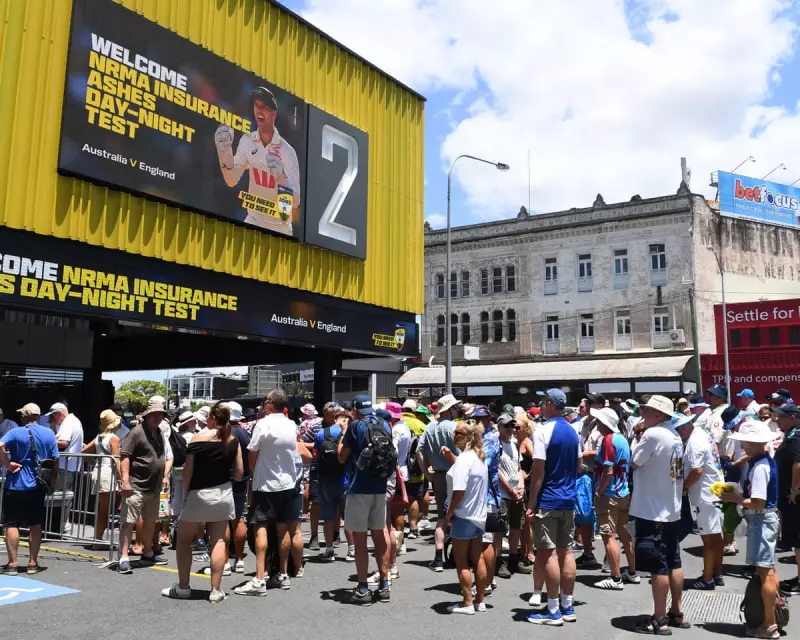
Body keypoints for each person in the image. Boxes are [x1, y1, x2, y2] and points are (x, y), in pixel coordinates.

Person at [162, 403, 243, 603]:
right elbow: (239, 473)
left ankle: (183, 587)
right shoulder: (232, 440)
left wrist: (186, 496)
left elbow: (188, 472)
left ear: (212, 419)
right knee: (219, 540)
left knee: (183, 540)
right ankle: (216, 590)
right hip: (223, 493)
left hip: (199, 494)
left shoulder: (198, 439)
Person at [629, 395, 687, 634]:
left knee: (658, 567)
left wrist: (637, 436)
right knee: (674, 561)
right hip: (670, 508)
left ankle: (659, 619)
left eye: (646, 409)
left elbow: (634, 461)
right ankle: (676, 612)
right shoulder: (674, 435)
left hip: (652, 510)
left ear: (658, 414)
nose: (642, 413)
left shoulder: (653, 434)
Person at [235, 389, 300, 596]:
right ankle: (282, 574)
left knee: (260, 527)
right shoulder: (291, 424)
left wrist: (253, 473)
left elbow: (252, 452)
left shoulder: (263, 424)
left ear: (270, 403)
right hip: (288, 483)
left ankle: (259, 578)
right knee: (283, 528)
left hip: (266, 484)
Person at [721, 421, 781, 640]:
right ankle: (771, 617)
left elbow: (757, 502)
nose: (742, 446)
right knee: (767, 570)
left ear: (754, 444)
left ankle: (770, 624)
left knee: (765, 572)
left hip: (761, 519)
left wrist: (733, 498)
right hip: (763, 519)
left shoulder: (760, 468)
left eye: (745, 443)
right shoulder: (762, 461)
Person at [214, 86, 302, 235]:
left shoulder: (288, 152)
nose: (259, 111)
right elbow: (231, 179)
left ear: (273, 114)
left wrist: (281, 178)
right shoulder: (247, 140)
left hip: (279, 230)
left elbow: (295, 201)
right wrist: (224, 152)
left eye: (264, 107)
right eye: (256, 106)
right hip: (252, 222)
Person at [526, 389, 580, 626]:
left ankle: (553, 609)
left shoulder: (542, 431)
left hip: (548, 499)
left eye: (543, 401)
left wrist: (531, 502)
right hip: (568, 498)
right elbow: (579, 465)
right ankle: (567, 605)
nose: (541, 405)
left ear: (549, 404)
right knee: (566, 551)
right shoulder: (572, 431)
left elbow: (538, 470)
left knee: (548, 553)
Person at [336, 395, 393, 605]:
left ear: (355, 410)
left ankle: (362, 588)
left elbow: (341, 456)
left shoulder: (355, 426)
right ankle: (384, 584)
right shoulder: (385, 425)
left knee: (360, 539)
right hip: (380, 487)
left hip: (359, 488)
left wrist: (344, 432)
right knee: (379, 535)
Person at [0, 403, 59, 575]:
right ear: (38, 417)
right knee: (35, 524)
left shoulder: (15, 432)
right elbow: (55, 460)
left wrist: (7, 464)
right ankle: (33, 563)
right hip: (38, 485)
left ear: (24, 416)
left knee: (12, 524)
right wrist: (53, 482)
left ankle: (13, 564)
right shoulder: (49, 433)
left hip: (15, 484)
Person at [118, 397, 170, 574]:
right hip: (136, 485)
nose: (158, 417)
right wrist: (125, 481)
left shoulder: (159, 432)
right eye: (154, 414)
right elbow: (125, 456)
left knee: (150, 522)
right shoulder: (136, 433)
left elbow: (161, 456)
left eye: (160, 414)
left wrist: (164, 476)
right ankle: (124, 557)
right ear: (146, 416)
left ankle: (148, 553)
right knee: (128, 522)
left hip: (153, 486)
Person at [443, 420, 489, 614]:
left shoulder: (464, 459)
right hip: (478, 516)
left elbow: (459, 490)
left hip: (463, 515)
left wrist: (449, 512)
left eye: (457, 433)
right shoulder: (478, 459)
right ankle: (480, 600)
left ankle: (467, 602)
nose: (454, 436)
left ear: (467, 437)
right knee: (477, 558)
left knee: (461, 561)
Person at [674, 412, 724, 590]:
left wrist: (684, 488)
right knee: (716, 538)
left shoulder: (695, 442)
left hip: (706, 495)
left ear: (684, 427)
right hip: (715, 491)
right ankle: (716, 573)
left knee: (708, 540)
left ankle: (707, 579)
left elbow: (697, 470)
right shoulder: (703, 435)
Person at [590, 407, 638, 590]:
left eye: (598, 420)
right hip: (623, 493)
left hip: (609, 494)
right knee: (625, 535)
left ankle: (616, 578)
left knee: (608, 536)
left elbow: (608, 470)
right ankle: (632, 572)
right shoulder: (622, 439)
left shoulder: (609, 439)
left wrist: (599, 491)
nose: (596, 424)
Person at [419, 394, 460, 572]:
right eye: (455, 407)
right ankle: (456, 555)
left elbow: (419, 451)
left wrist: (426, 473)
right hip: (456, 474)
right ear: (449, 410)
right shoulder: (455, 427)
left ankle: (437, 559)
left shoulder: (429, 427)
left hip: (438, 476)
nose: (457, 410)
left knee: (442, 518)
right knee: (458, 516)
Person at [313, 405, 352, 561]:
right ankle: (351, 550)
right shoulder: (350, 433)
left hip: (326, 480)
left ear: (333, 418)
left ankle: (329, 550)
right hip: (345, 480)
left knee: (328, 518)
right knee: (348, 517)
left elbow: (316, 455)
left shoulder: (322, 433)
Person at [81, 409, 122, 549]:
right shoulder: (114, 438)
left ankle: (98, 538)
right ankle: (97, 540)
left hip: (98, 472)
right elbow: (116, 461)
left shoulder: (99, 437)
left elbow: (84, 452)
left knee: (102, 508)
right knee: (105, 510)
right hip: (108, 474)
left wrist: (95, 463)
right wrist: (122, 480)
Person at [772, 404, 800, 596]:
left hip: (795, 499)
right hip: (790, 497)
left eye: (781, 417)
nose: (777, 420)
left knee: (798, 541)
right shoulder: (792, 434)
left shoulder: (796, 437)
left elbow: (798, 464)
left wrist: (794, 490)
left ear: (792, 417)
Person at [497, 413, 528, 576]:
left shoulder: (515, 444)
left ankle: (513, 560)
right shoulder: (496, 444)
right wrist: (510, 490)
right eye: (506, 426)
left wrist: (521, 487)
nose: (510, 429)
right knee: (500, 529)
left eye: (512, 426)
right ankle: (498, 561)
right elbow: (496, 471)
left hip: (517, 492)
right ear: (499, 427)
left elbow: (518, 467)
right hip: (503, 493)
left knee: (516, 527)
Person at [402, 399, 429, 539]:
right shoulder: (422, 425)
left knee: (398, 499)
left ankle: (398, 529)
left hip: (398, 468)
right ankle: (414, 527)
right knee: (414, 497)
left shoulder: (397, 423)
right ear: (414, 411)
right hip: (416, 466)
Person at [297, 403, 323, 550]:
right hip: (320, 459)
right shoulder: (319, 422)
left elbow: (300, 440)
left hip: (310, 457)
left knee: (307, 483)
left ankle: (305, 510)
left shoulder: (306, 424)